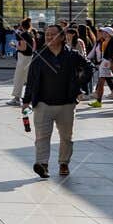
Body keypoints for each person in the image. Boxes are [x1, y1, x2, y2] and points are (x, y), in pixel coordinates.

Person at [22, 23, 92, 178]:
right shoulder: (39, 55)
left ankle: (63, 163)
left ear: (62, 37)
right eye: (47, 34)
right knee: (41, 137)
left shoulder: (72, 55)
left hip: (66, 104)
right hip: (43, 104)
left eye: (52, 34)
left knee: (66, 137)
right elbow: (31, 79)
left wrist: (78, 84)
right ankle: (42, 164)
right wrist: (26, 101)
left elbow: (89, 67)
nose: (48, 37)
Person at [9, 19, 36, 107]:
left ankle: (16, 98)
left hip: (23, 58)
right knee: (28, 78)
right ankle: (32, 97)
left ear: (21, 26)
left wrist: (14, 45)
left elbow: (23, 48)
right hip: (29, 57)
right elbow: (33, 46)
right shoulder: (31, 33)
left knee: (18, 78)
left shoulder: (23, 34)